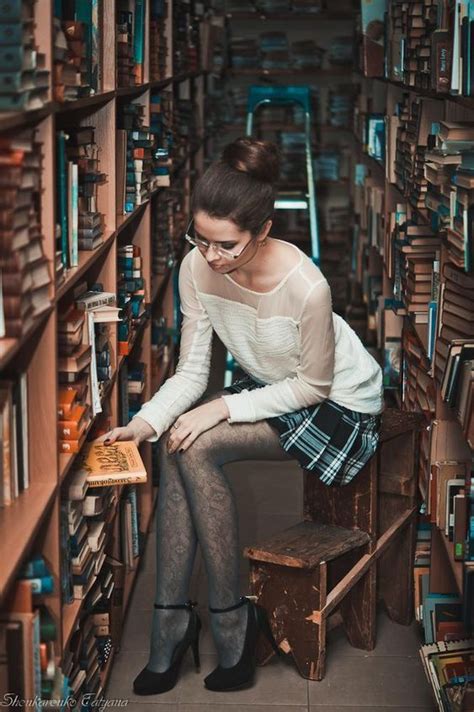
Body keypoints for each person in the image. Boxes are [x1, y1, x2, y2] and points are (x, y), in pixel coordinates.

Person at [102, 137, 384, 694]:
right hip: (273, 385)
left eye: (225, 245)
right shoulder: (196, 268)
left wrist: (223, 408)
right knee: (173, 439)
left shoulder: (308, 288)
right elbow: (190, 371)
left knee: (200, 442)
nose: (210, 256)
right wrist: (144, 422)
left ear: (263, 230)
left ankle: (232, 620)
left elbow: (314, 384)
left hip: (338, 405)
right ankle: (174, 619)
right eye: (199, 239)